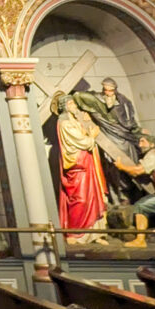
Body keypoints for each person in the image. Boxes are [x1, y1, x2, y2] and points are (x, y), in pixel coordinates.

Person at [55, 93, 107, 236]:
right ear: (64, 106)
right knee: (81, 199)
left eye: (74, 103)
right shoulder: (64, 123)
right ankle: (75, 233)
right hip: (77, 165)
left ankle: (93, 235)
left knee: (93, 197)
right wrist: (91, 137)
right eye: (71, 104)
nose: (75, 106)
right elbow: (81, 141)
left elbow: (83, 133)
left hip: (86, 162)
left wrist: (85, 123)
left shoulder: (73, 121)